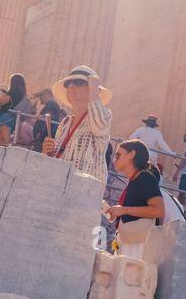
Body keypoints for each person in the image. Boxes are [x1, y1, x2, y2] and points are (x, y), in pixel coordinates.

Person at [43, 64, 113, 192]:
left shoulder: (104, 115)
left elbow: (99, 127)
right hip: (60, 188)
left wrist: (94, 89)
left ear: (92, 89)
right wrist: (47, 152)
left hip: (85, 192)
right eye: (68, 83)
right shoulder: (65, 123)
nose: (70, 86)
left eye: (78, 82)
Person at [106, 139, 166, 259]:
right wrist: (118, 210)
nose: (114, 159)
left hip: (137, 246)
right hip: (129, 242)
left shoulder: (145, 178)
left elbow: (159, 211)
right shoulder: (134, 179)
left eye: (118, 155)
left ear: (132, 155)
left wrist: (124, 210)